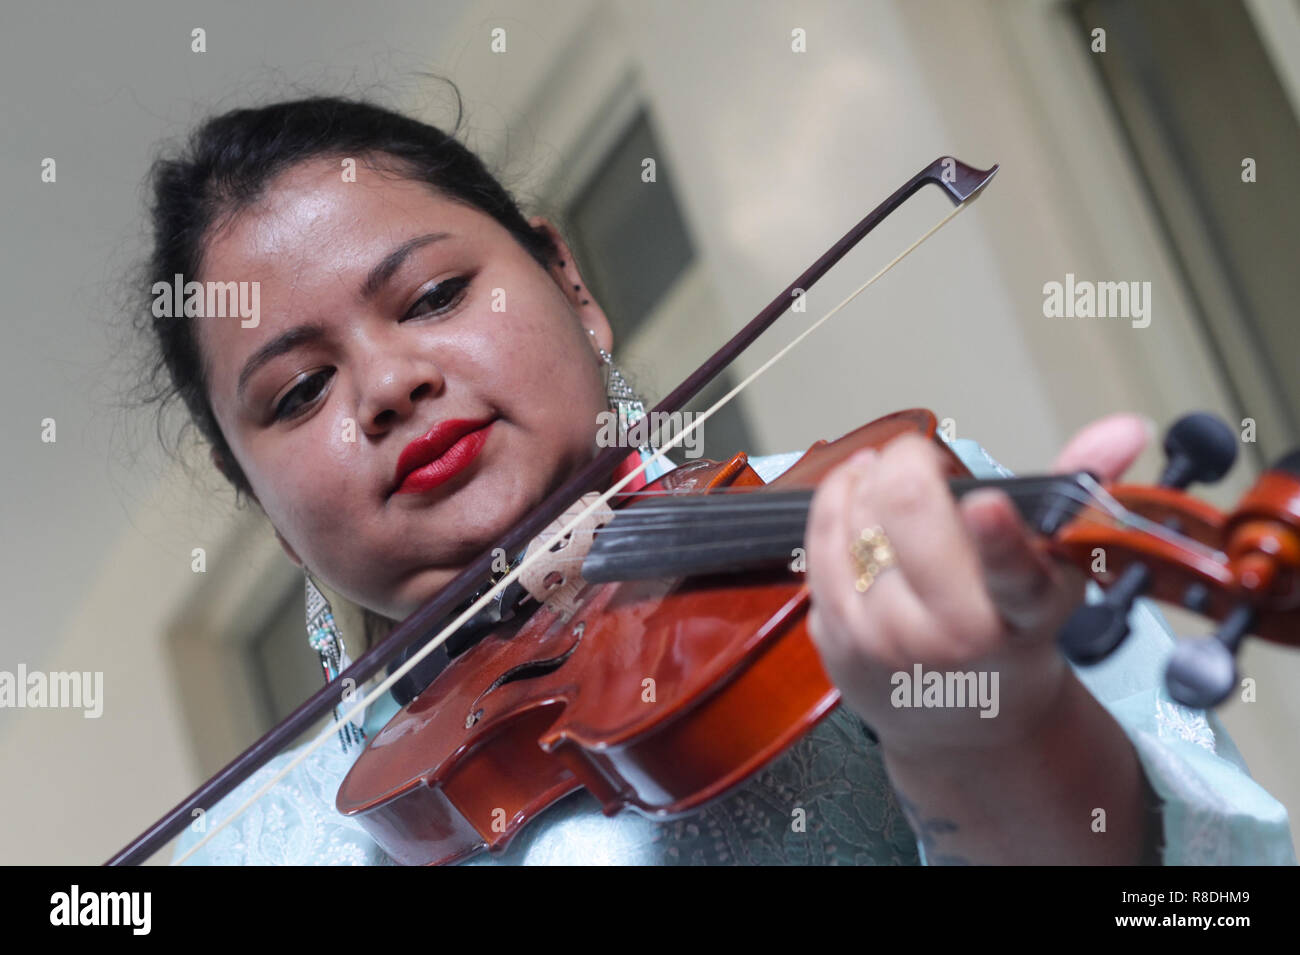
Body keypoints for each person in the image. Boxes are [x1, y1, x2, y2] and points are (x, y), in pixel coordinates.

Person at [132, 93, 1294, 865]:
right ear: (273, 525)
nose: (385, 386)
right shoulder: (254, 842)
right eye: (298, 394)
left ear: (568, 283)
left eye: (433, 296)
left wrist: (993, 722)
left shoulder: (874, 513)